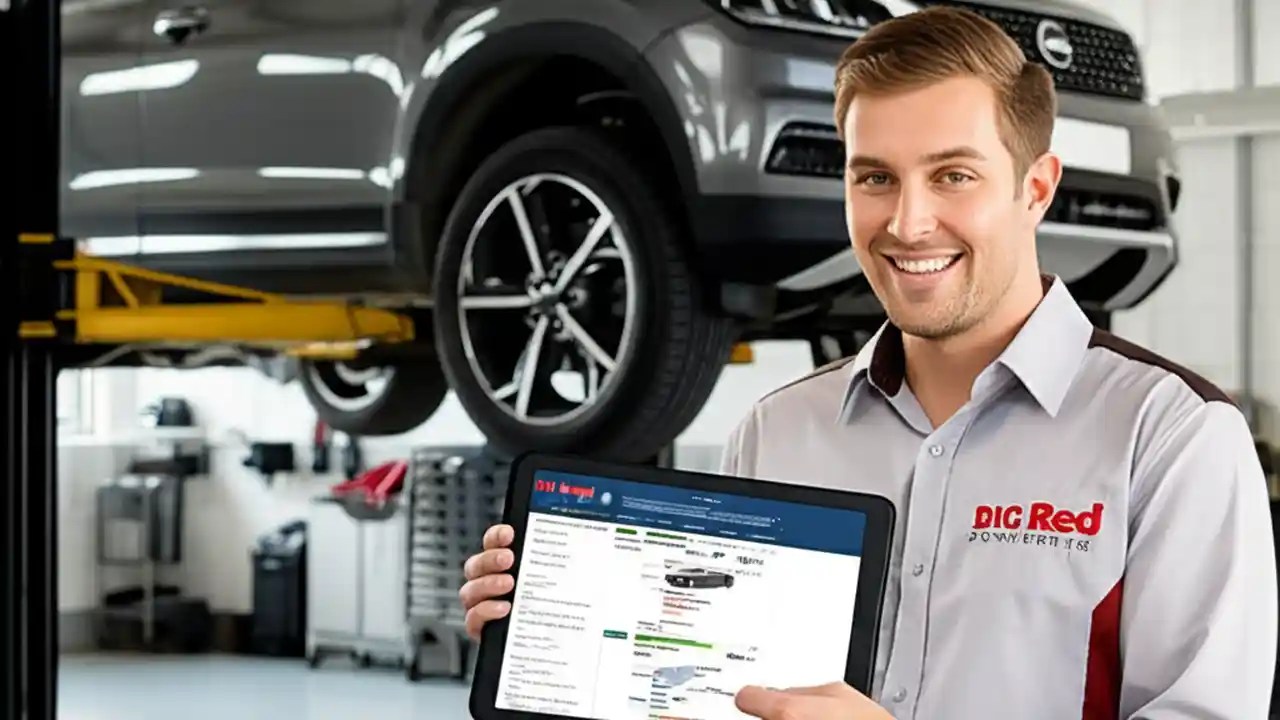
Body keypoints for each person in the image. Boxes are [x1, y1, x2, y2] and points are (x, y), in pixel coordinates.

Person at [459, 6, 1278, 719]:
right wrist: (558, 623)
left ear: (1036, 188)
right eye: (874, 178)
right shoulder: (778, 431)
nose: (908, 222)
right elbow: (712, 684)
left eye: (953, 175)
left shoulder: (1170, 438)